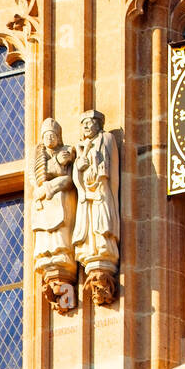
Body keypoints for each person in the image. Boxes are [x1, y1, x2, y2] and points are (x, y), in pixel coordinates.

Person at [72, 110, 120, 305]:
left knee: (102, 219)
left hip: (101, 189)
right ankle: (92, 252)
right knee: (89, 221)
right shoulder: (81, 146)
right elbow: (76, 174)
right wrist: (79, 166)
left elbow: (109, 166)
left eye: (90, 123)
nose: (86, 127)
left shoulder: (106, 139)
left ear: (98, 125)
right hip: (86, 194)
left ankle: (103, 248)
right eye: (83, 124)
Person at [33, 118, 77, 309]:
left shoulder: (65, 152)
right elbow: (34, 178)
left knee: (60, 230)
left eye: (52, 135)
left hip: (60, 199)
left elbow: (68, 179)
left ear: (58, 137)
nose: (49, 138)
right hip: (43, 202)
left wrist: (51, 184)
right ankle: (46, 257)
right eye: (46, 136)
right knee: (45, 233)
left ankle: (61, 255)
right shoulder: (38, 156)